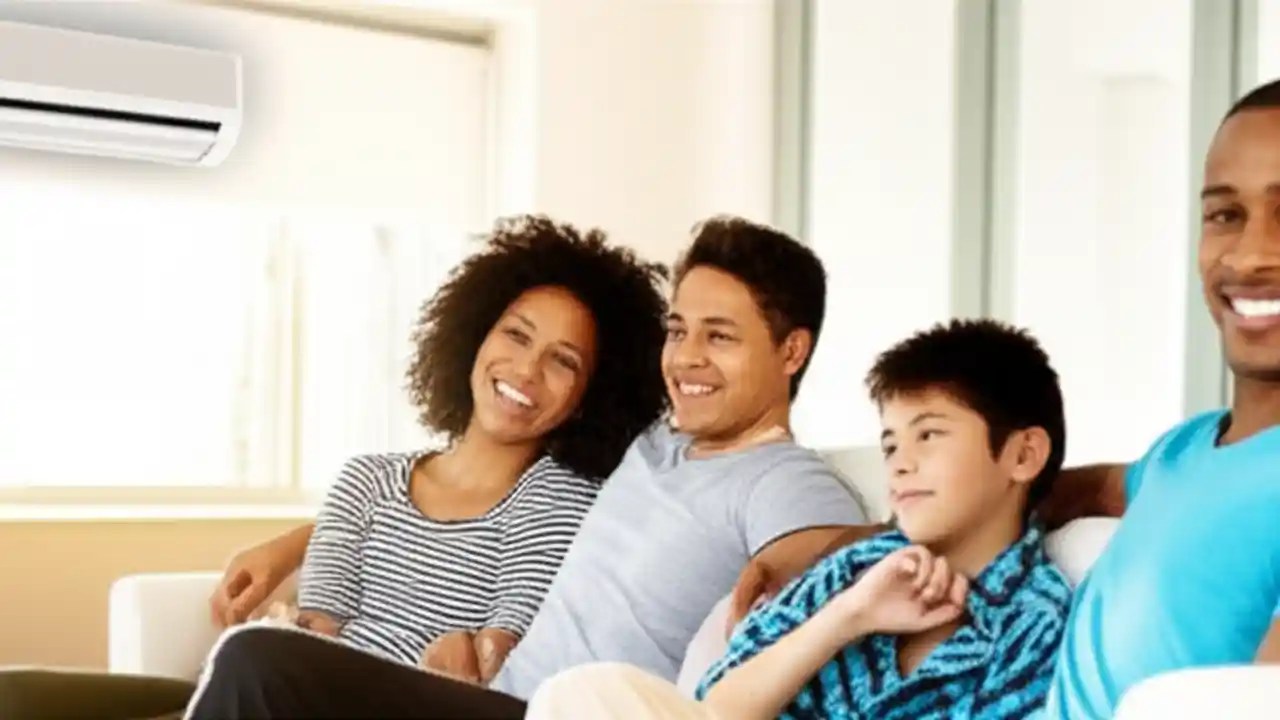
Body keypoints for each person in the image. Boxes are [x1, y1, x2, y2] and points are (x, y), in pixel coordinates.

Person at [183, 215, 868, 718]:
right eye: (678, 330)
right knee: (257, 665)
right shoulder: (656, 439)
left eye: (718, 337)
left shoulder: (787, 481)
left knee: (258, 663)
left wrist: (795, 577)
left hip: (563, 714)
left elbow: (847, 574)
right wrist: (290, 545)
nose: (686, 358)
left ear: (790, 352)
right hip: (495, 699)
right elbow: (460, 480)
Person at [0, 214, 670, 720]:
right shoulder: (367, 480)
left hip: (394, 708)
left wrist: (476, 653)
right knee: (19, 694)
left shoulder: (557, 499)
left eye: (563, 360)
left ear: (590, 396)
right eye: (516, 335)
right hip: (298, 696)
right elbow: (315, 634)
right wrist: (287, 611)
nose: (526, 369)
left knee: (252, 658)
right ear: (473, 337)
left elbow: (497, 659)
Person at [526, 319, 1073, 719]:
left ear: (1022, 455)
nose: (901, 463)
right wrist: (850, 616)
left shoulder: (1035, 623)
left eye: (928, 435)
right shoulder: (853, 572)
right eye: (890, 444)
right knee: (582, 695)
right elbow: (715, 708)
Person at [1034, 78, 1280, 718]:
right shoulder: (1184, 450)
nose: (1251, 255)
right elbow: (1087, 489)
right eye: (1226, 215)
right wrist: (869, 542)